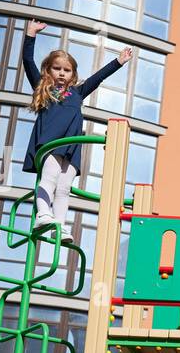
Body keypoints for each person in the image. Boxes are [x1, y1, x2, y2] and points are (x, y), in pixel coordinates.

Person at [20, 20, 133, 244]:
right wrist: (31, 35)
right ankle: (43, 214)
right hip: (50, 142)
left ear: (72, 74)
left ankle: (59, 227)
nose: (61, 73)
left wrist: (118, 61)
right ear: (48, 71)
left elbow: (97, 78)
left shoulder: (78, 93)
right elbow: (27, 60)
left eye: (66, 70)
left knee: (64, 188)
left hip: (71, 147)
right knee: (50, 178)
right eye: (57, 69)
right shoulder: (44, 89)